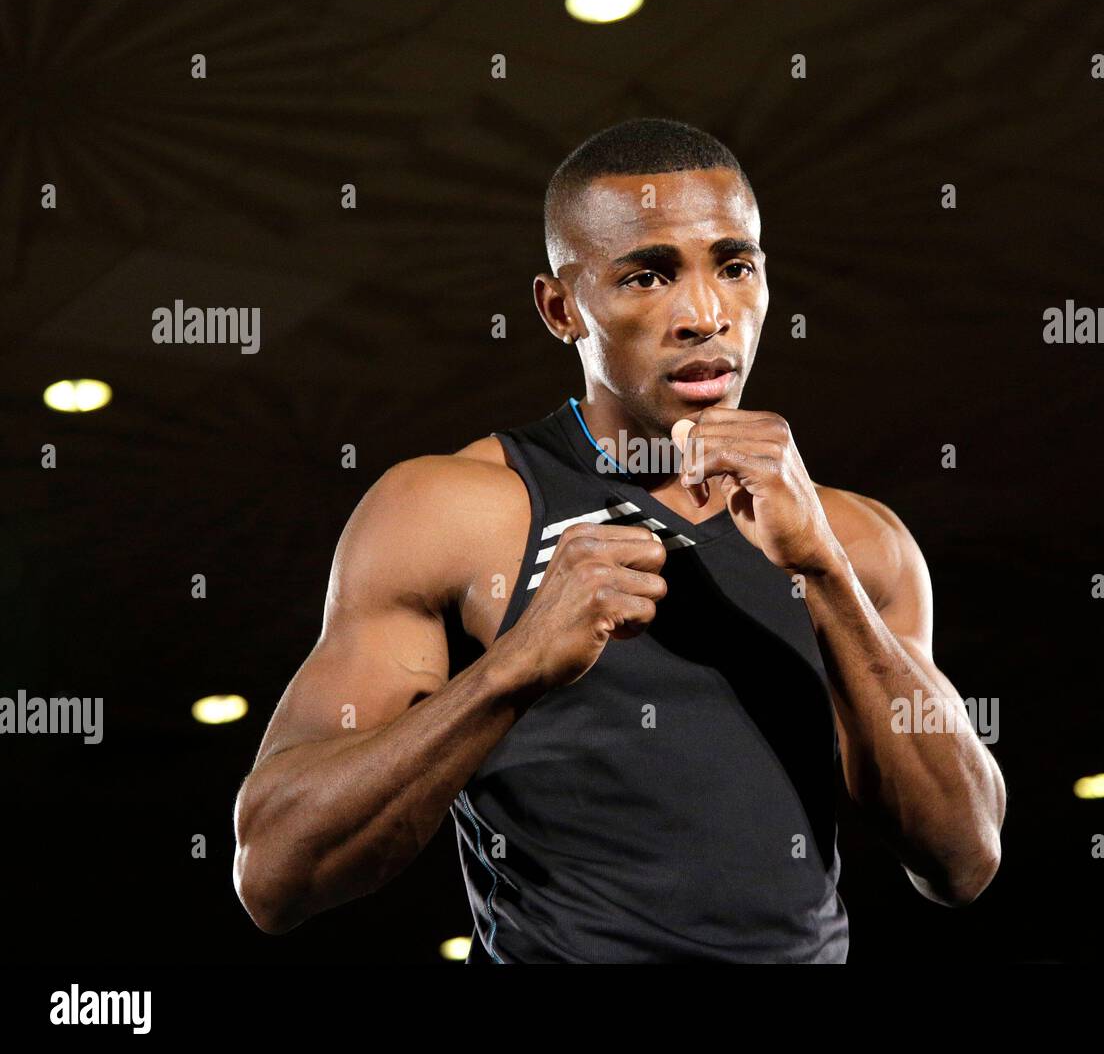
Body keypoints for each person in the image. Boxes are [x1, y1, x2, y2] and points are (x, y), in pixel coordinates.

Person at [232, 117, 1006, 963]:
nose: (705, 314)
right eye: (648, 275)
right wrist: (513, 668)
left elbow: (963, 859)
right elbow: (276, 871)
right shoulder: (454, 510)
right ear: (562, 308)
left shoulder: (856, 538)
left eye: (734, 266)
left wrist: (822, 571)